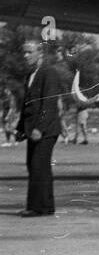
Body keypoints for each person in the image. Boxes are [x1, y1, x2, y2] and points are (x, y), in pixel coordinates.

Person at [17, 41, 65, 217]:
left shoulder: (48, 73)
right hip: (33, 129)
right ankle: (45, 206)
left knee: (38, 166)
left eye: (29, 52)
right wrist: (20, 128)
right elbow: (27, 104)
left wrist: (39, 128)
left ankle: (38, 208)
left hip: (46, 129)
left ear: (40, 53)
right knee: (36, 166)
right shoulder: (31, 74)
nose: (25, 56)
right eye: (24, 52)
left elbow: (49, 104)